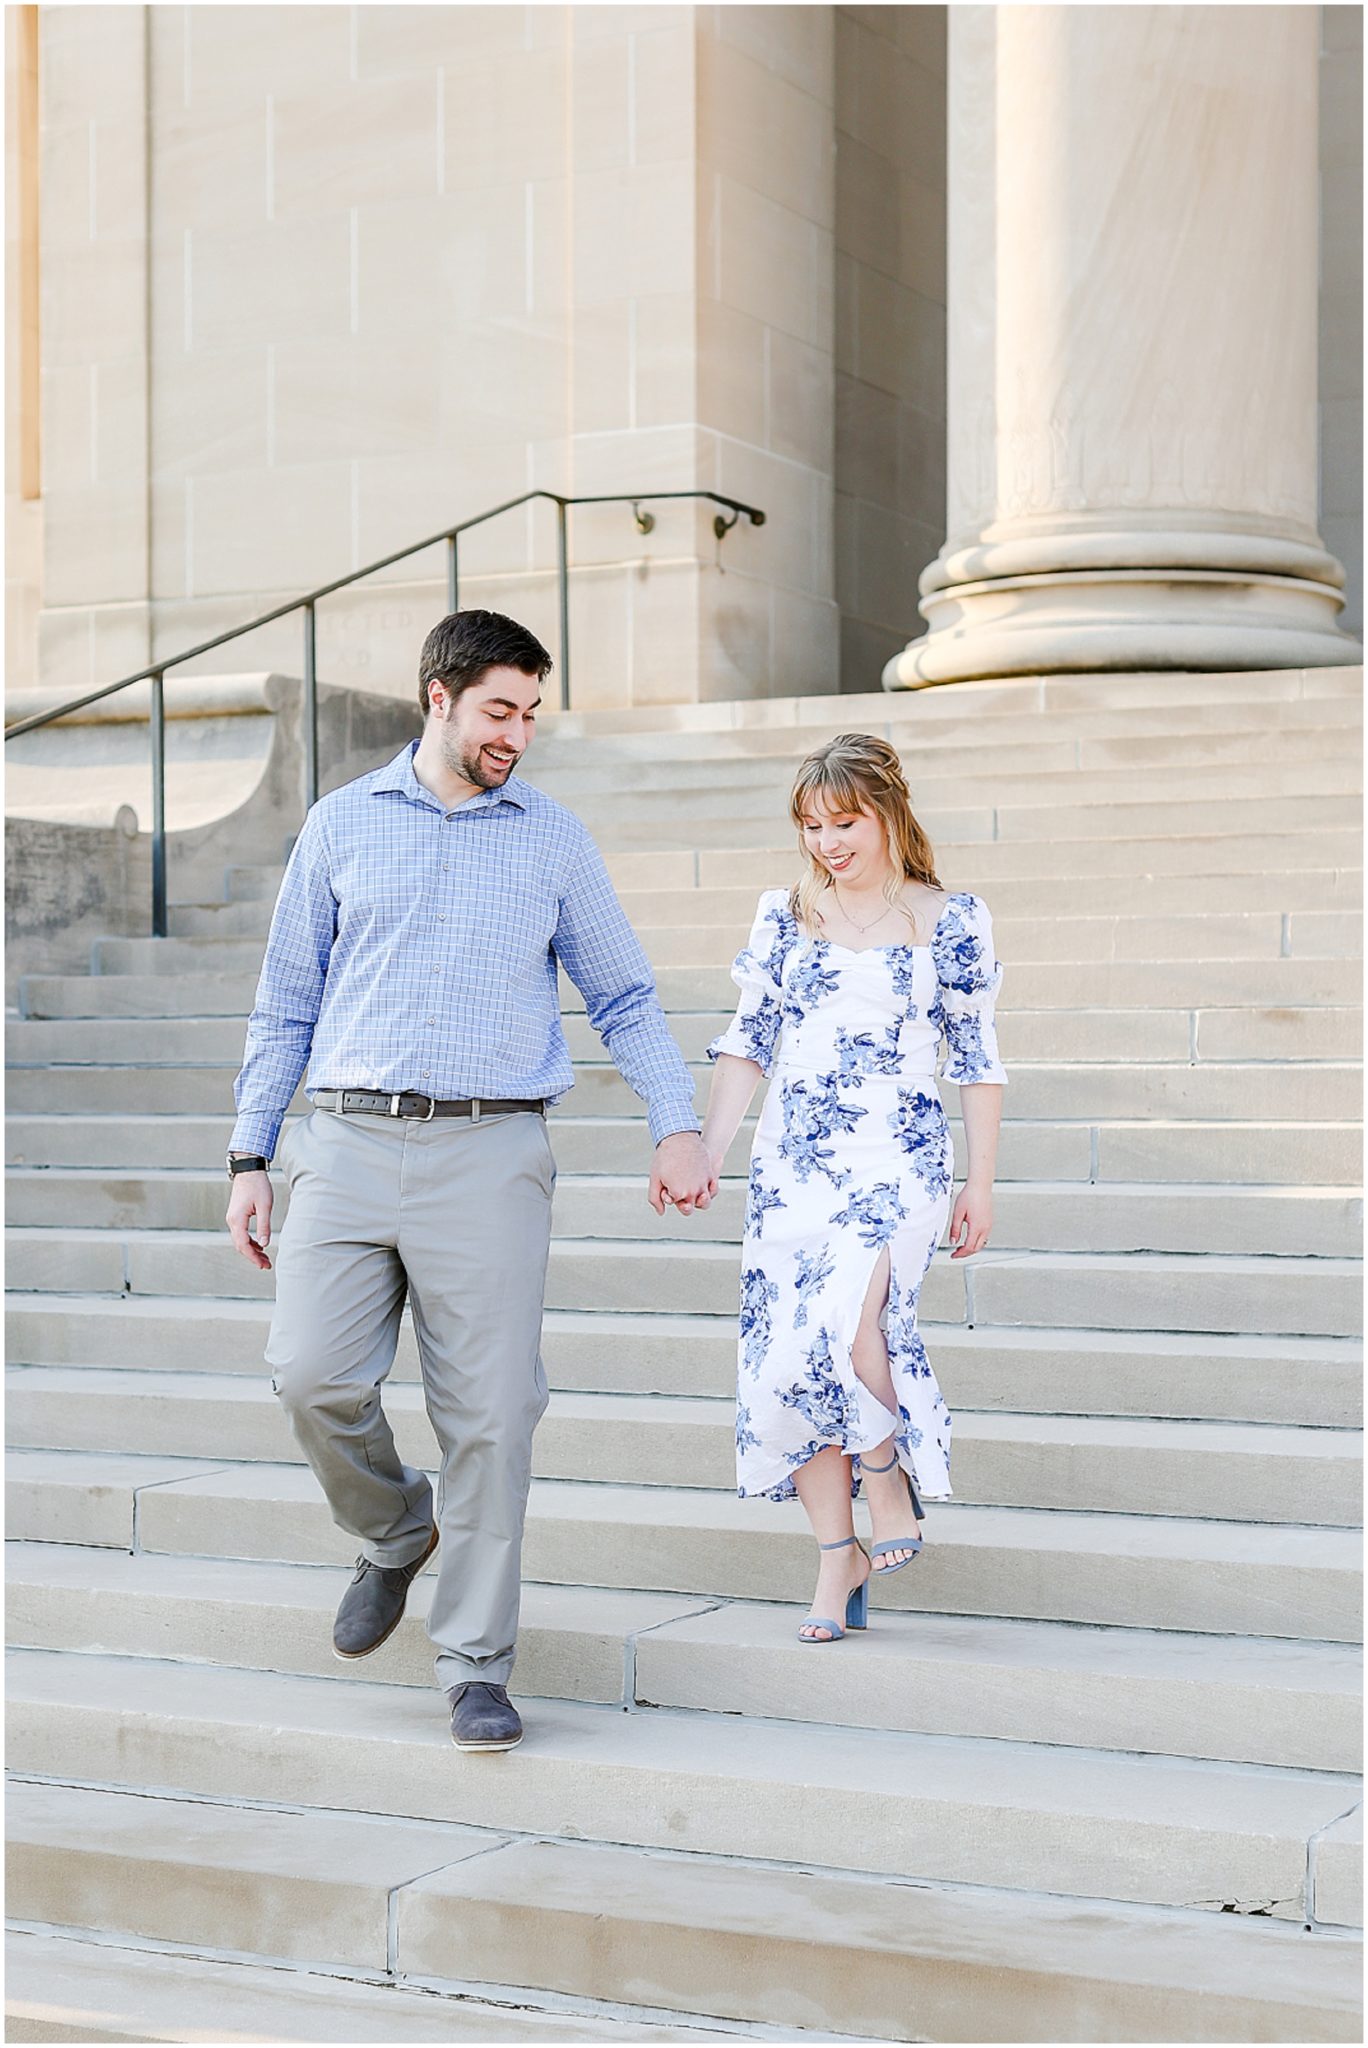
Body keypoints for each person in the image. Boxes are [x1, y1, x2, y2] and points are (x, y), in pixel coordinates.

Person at [225, 609, 715, 1749]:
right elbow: (285, 1001)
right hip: (343, 1144)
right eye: (501, 709)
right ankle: (398, 1528)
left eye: (533, 713)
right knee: (309, 1375)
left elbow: (626, 994)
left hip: (491, 1153)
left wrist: (676, 1120)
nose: (519, 734)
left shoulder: (552, 838)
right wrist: (250, 1152)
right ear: (436, 698)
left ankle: (476, 1663)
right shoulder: (340, 826)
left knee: (492, 1416)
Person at [699, 733, 1006, 1643]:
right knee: (792, 1356)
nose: (829, 842)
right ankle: (841, 1557)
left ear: (889, 813)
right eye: (812, 825)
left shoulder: (951, 918)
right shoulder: (784, 915)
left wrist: (980, 1183)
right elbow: (748, 1038)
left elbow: (977, 1060)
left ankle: (886, 1481)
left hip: (901, 1155)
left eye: (846, 821)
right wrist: (709, 1149)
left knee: (848, 1323)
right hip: (795, 1161)